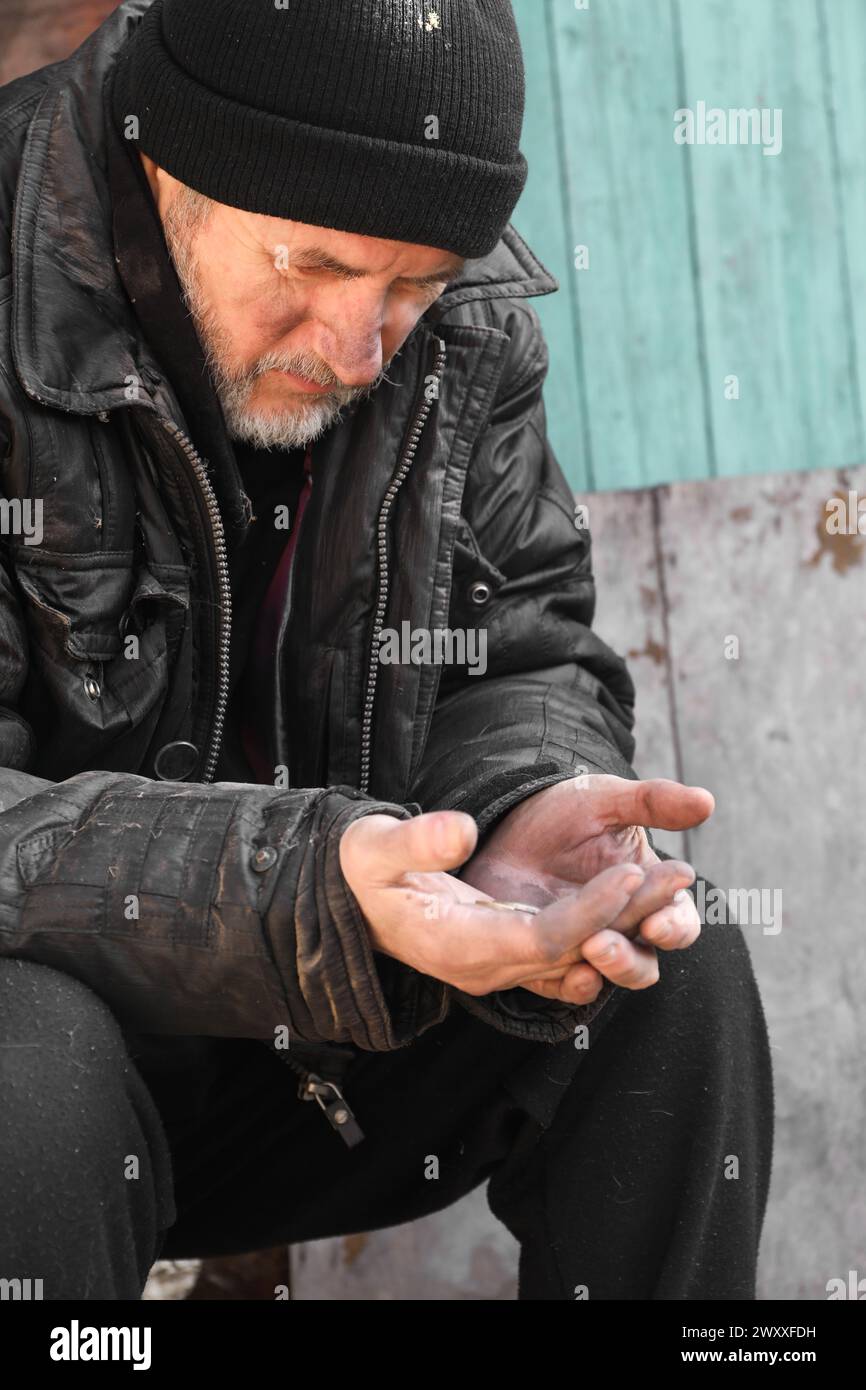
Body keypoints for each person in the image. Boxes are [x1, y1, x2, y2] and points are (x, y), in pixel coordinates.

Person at [0, 0, 773, 1299]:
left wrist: (528, 814)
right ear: (170, 166)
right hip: (54, 1084)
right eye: (310, 267)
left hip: (330, 1038)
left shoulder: (463, 332)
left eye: (410, 285)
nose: (359, 349)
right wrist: (312, 885)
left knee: (662, 975)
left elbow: (517, 646)